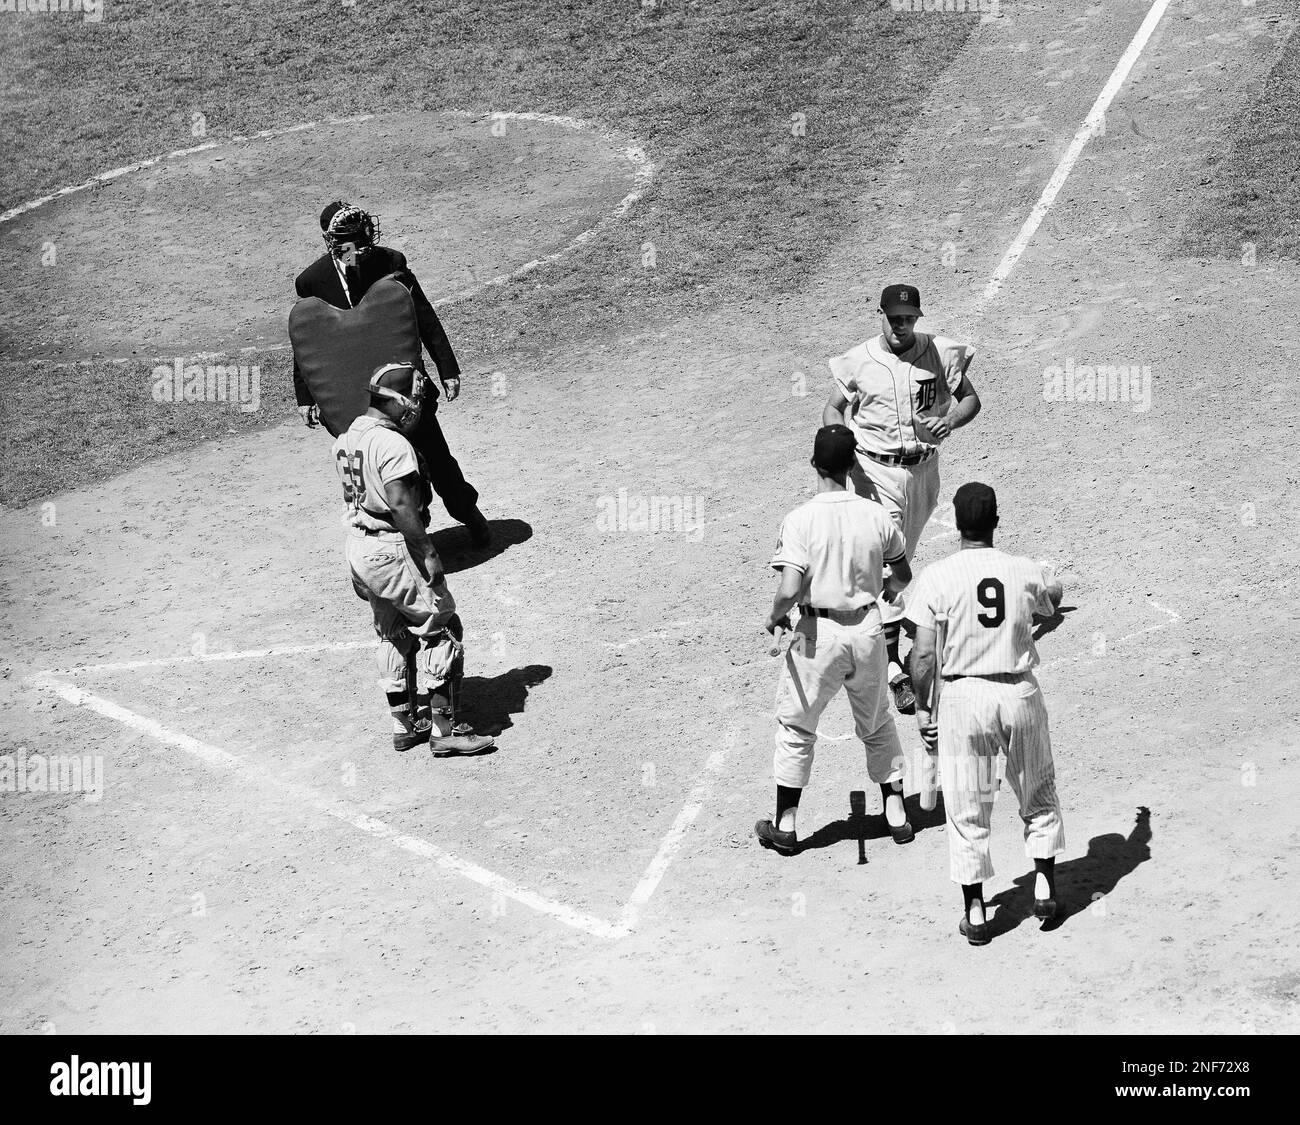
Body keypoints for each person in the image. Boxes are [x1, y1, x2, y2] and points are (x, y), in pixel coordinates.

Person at [906, 482, 1065, 945]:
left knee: (967, 805)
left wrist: (923, 707)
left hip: (963, 700)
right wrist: (1046, 582)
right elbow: (1052, 594)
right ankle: (1043, 883)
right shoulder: (1021, 569)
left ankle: (976, 912)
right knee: (1038, 790)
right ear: (996, 521)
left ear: (957, 526)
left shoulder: (937, 576)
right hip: (1018, 694)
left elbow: (920, 655)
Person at [755, 424, 915, 856]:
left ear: (814, 464)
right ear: (851, 466)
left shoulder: (800, 519)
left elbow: (790, 589)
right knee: (878, 720)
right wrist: (891, 590)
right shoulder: (876, 514)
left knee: (796, 726)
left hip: (815, 635)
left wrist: (774, 617)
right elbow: (902, 575)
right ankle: (897, 815)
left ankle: (786, 826)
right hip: (867, 631)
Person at [823, 283, 981, 714]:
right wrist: (841, 441)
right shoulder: (860, 359)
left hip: (923, 471)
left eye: (909, 318)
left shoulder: (937, 353)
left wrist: (950, 421)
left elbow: (970, 399)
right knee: (894, 565)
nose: (902, 325)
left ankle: (879, 628)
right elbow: (834, 408)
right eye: (895, 318)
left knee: (900, 558)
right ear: (882, 315)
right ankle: (894, 669)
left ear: (917, 318)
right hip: (875, 472)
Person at [300, 201, 492, 547]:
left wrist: (446, 368)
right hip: (358, 399)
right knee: (383, 472)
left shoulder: (391, 262)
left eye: (362, 234)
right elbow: (310, 342)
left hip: (407, 390)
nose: (360, 243)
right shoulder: (312, 281)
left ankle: (469, 514)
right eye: (351, 237)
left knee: (438, 460)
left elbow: (423, 317)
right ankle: (406, 536)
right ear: (331, 241)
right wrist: (305, 396)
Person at [333, 361, 495, 756]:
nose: (418, 407)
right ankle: (446, 730)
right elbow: (402, 506)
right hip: (393, 548)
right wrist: (428, 553)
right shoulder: (392, 444)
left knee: (393, 631)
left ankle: (405, 723)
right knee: (442, 624)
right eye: (416, 399)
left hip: (360, 546)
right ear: (398, 400)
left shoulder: (347, 436)